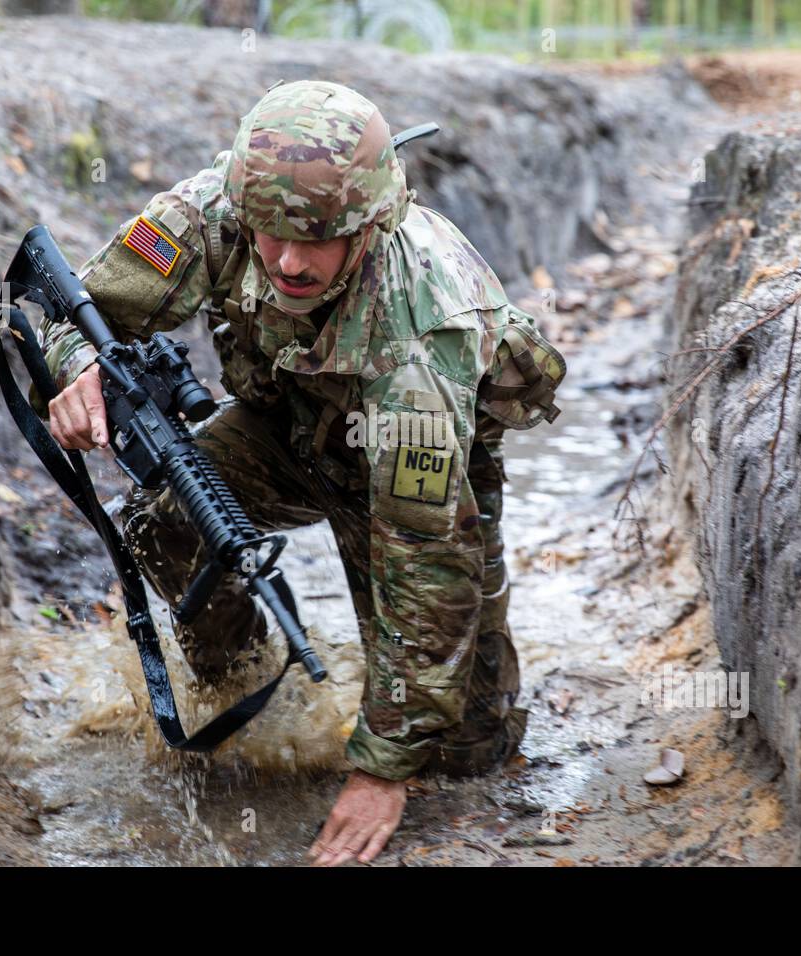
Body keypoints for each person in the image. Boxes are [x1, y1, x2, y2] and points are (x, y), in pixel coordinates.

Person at [40, 79, 565, 865]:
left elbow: (426, 567)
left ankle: (428, 733)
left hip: (410, 454)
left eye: (316, 239)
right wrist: (77, 367)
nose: (287, 261)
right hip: (284, 424)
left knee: (460, 756)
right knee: (169, 521)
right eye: (269, 234)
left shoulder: (421, 336)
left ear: (370, 225)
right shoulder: (211, 213)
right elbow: (77, 304)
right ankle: (246, 672)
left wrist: (382, 770)